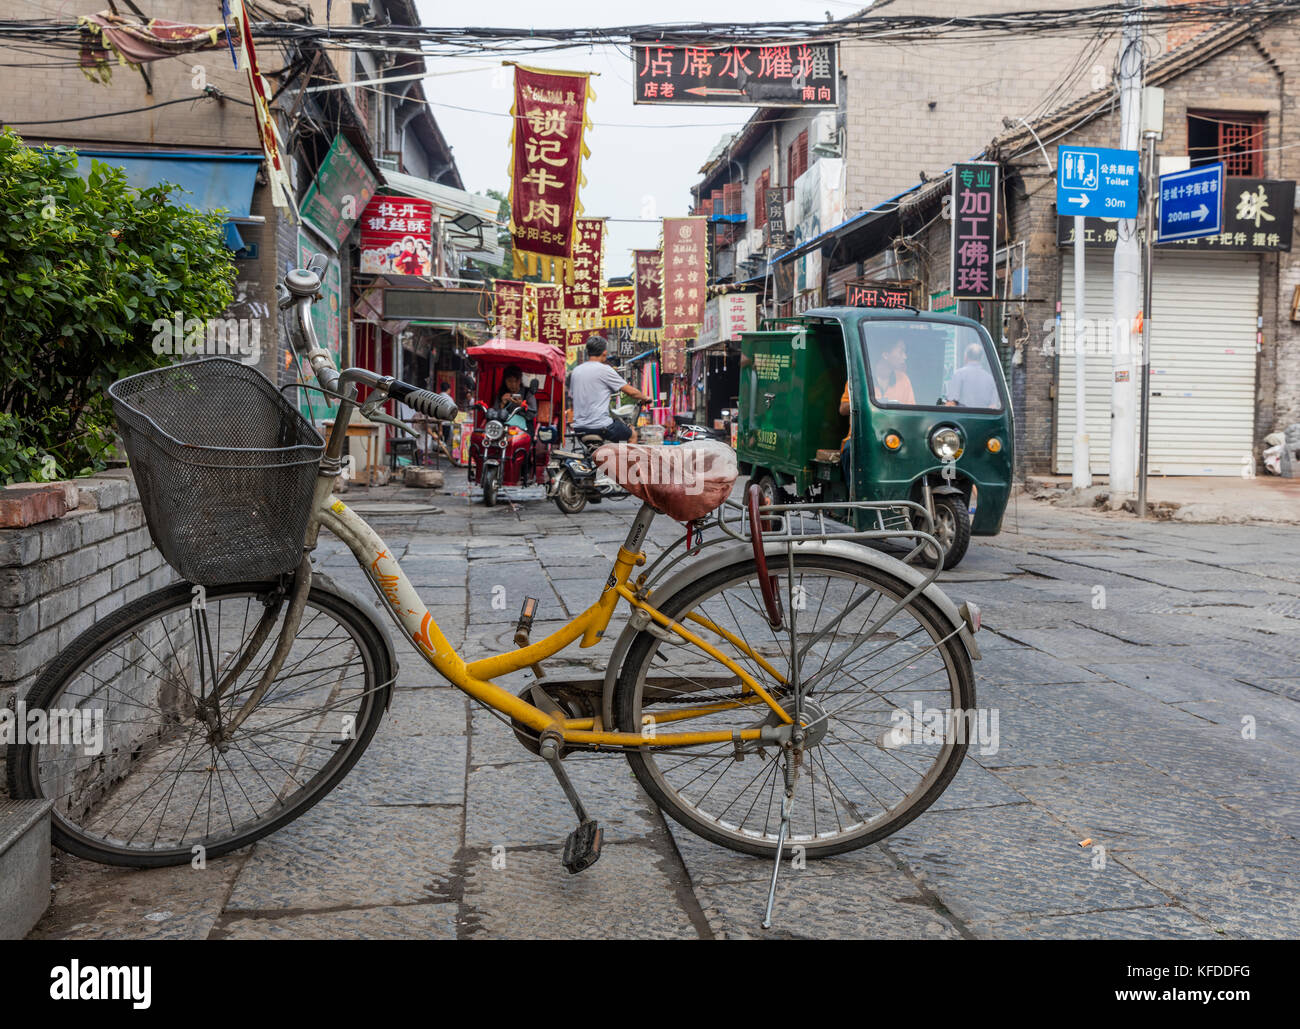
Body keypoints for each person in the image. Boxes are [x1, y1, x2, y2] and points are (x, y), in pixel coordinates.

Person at [569, 336, 647, 443]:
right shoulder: (605, 370)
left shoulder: (576, 371)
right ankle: (626, 460)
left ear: (587, 352)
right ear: (604, 353)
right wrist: (645, 398)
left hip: (579, 428)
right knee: (632, 435)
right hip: (601, 427)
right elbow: (631, 392)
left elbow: (573, 397)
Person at [945, 343, 1000, 409]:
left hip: (962, 417)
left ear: (965, 357)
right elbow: (993, 406)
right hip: (984, 417)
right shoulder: (990, 379)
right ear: (981, 358)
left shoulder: (959, 374)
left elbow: (951, 403)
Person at [873, 337, 916, 405]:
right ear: (885, 355)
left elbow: (911, 411)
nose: (905, 357)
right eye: (901, 352)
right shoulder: (863, 378)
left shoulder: (903, 379)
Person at [495, 364, 536, 431]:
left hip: (524, 430)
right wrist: (502, 404)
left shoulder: (527, 393)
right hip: (504, 428)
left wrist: (521, 405)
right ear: (505, 381)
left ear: (520, 380)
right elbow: (495, 414)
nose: (513, 384)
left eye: (516, 381)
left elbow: (532, 415)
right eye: (510, 381)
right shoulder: (501, 393)